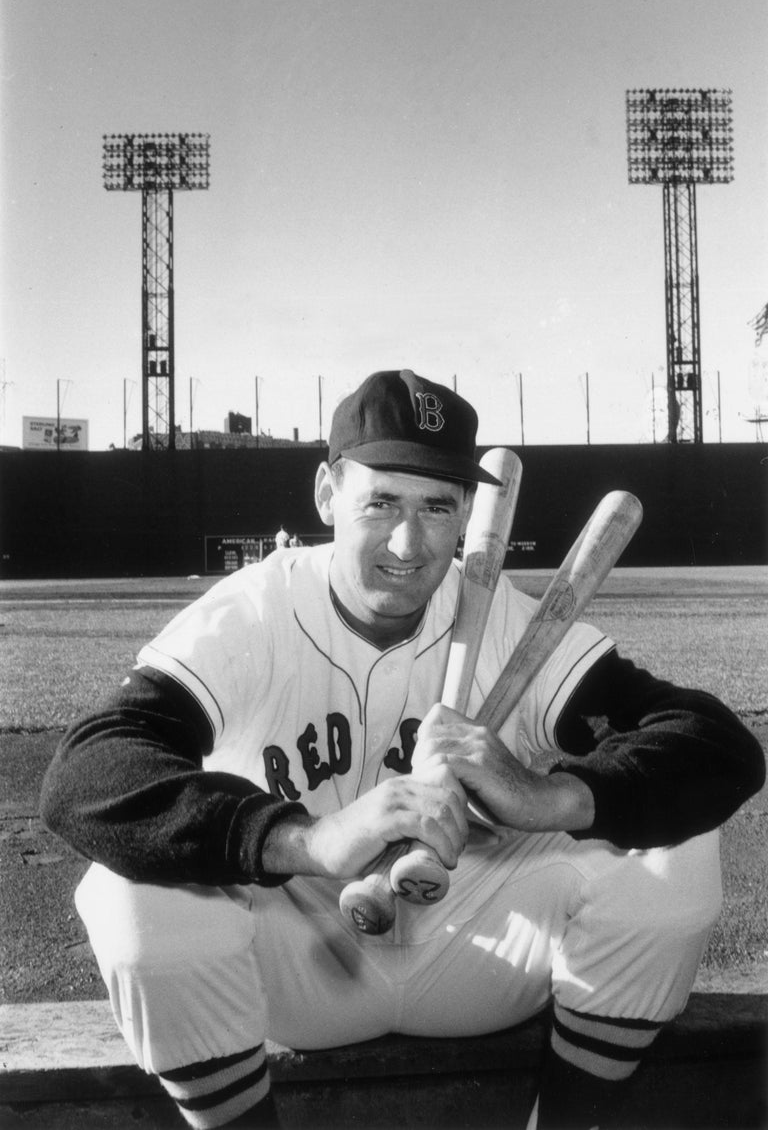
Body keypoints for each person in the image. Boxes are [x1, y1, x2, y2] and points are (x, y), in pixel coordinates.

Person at [41, 369, 764, 1130]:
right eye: (381, 501)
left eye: (437, 507)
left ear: (467, 517)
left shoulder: (506, 619)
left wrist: (549, 795)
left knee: (677, 850)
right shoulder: (253, 613)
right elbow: (87, 773)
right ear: (327, 494)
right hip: (296, 960)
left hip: (479, 947)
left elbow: (717, 745)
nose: (408, 543)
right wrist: (307, 838)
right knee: (130, 891)